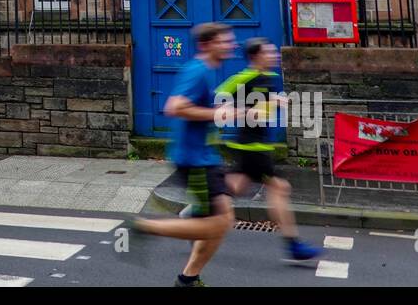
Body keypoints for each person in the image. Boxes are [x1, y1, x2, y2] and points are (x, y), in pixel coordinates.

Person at [134, 23, 238, 287]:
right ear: (206, 45)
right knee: (220, 224)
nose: (231, 45)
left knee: (221, 220)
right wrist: (219, 113)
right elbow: (175, 107)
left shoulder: (204, 70)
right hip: (196, 161)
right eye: (224, 41)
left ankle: (188, 278)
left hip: (205, 158)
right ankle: (145, 227)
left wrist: (232, 112)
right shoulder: (198, 70)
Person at [217, 39, 322, 263]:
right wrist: (244, 111)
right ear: (256, 56)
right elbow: (218, 103)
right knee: (280, 188)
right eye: (269, 52)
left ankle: (200, 209)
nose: (274, 55)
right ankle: (293, 245)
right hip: (249, 146)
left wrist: (276, 102)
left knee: (234, 186)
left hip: (260, 145)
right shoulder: (242, 79)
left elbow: (266, 104)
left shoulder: (272, 78)